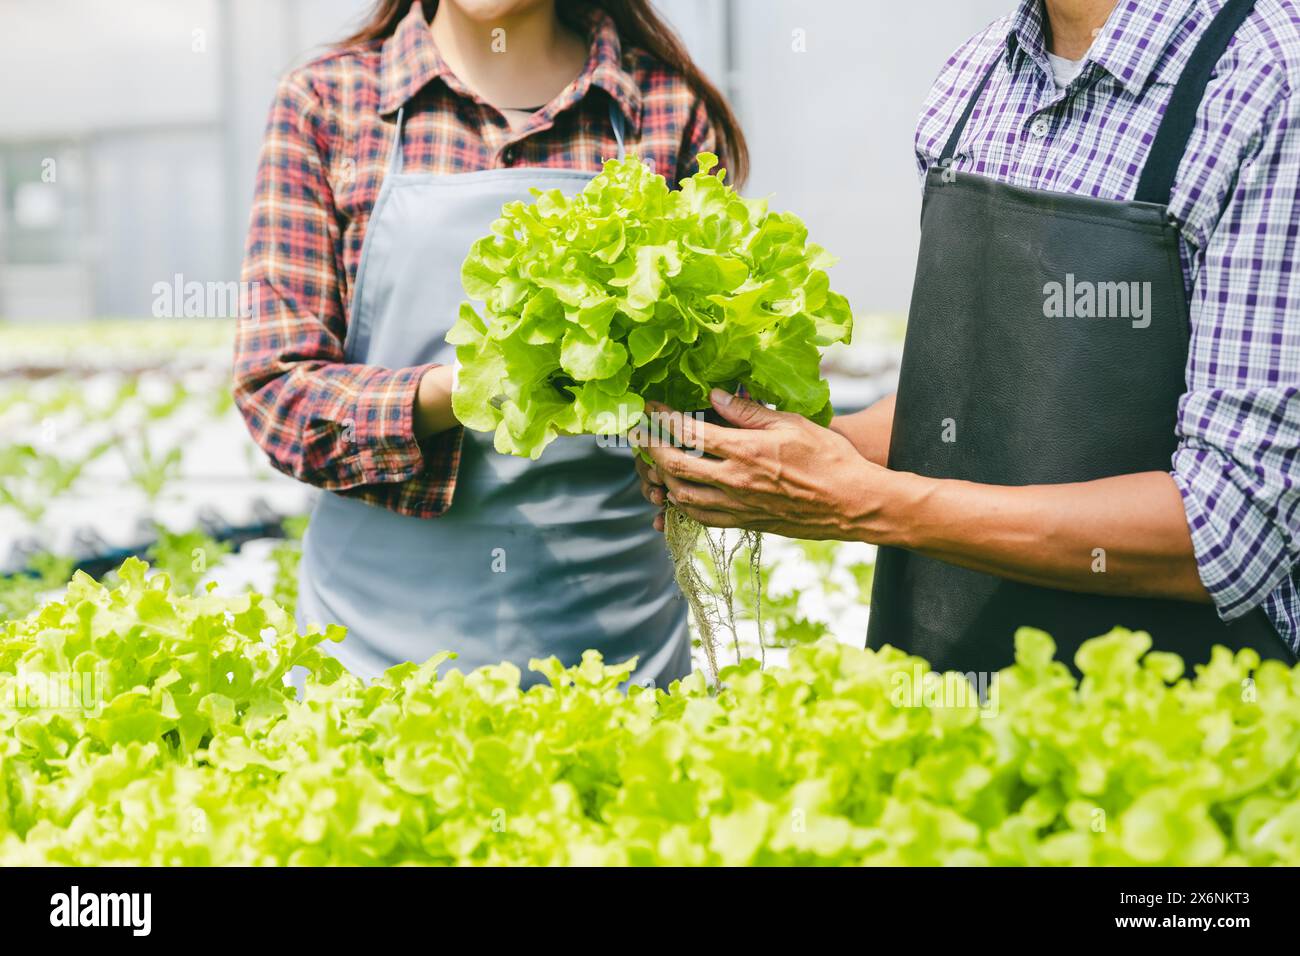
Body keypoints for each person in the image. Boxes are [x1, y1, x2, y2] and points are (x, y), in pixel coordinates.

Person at [638, 0, 1300, 672]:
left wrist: (863, 502)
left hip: (1165, 731)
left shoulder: (1266, 80)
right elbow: (968, 409)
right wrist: (775, 458)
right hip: (945, 693)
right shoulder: (974, 77)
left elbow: (1231, 528)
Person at [234, 0, 746, 684]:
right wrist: (466, 389)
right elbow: (278, 389)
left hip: (617, 651)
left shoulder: (663, 107)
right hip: (377, 657)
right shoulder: (329, 101)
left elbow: (708, 388)